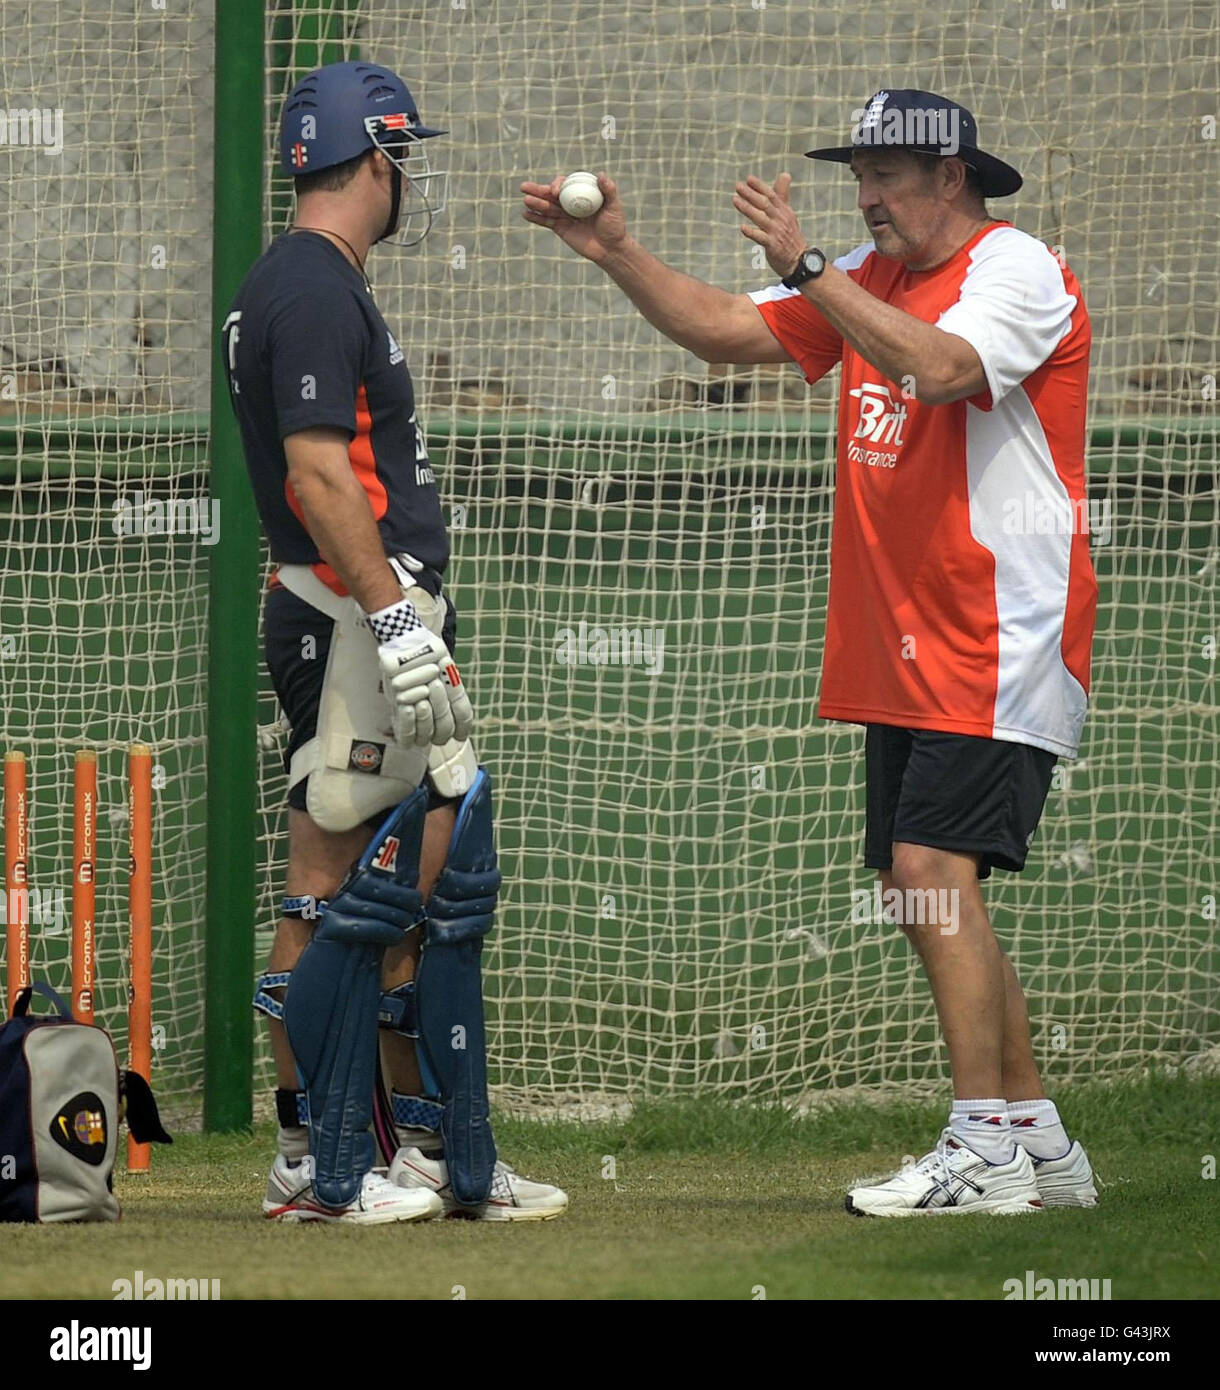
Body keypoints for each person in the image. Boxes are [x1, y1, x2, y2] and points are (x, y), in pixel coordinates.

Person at [522, 88, 1098, 1216]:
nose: (865, 194)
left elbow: (939, 369)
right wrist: (617, 252)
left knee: (933, 875)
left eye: (885, 173)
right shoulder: (865, 279)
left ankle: (979, 1146)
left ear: (951, 177)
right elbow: (725, 335)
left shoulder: (1016, 268)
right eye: (857, 175)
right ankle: (1035, 1138)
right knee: (914, 885)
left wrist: (807, 269)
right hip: (906, 645)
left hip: (996, 634)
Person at [224, 59, 566, 1223]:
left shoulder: (304, 279)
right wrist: (386, 616)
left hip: (372, 615)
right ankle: (315, 1162)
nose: (403, 175)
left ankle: (411, 1147)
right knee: (338, 887)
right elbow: (320, 475)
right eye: (400, 157)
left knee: (418, 883)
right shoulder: (312, 285)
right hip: (351, 616)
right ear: (378, 159)